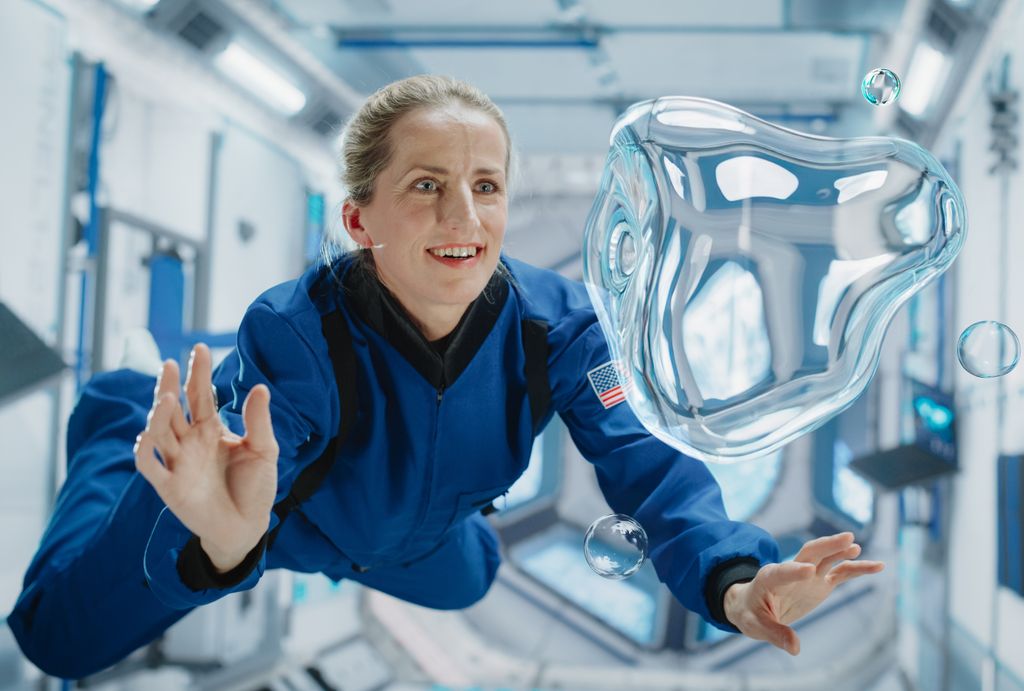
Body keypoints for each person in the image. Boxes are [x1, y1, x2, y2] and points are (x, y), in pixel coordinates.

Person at [7, 75, 884, 679]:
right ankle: (119, 413)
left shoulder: (562, 327)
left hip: (422, 541)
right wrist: (226, 542)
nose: (464, 215)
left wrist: (734, 582)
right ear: (360, 218)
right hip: (275, 517)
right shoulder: (295, 332)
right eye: (427, 185)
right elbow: (238, 495)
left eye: (487, 185)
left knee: (474, 576)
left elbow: (647, 469)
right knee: (59, 641)